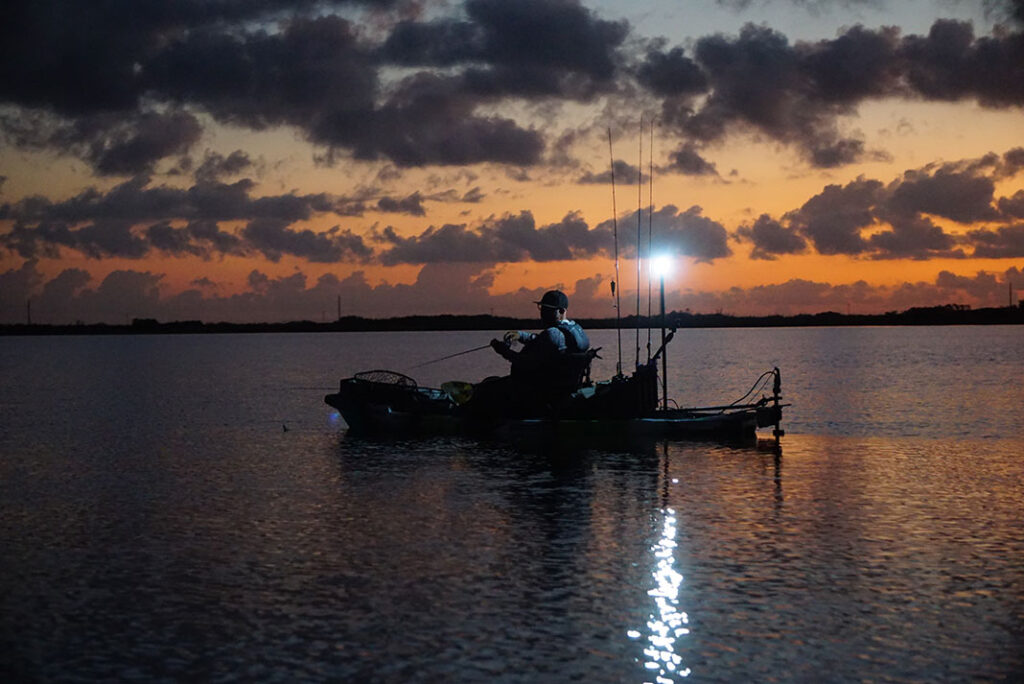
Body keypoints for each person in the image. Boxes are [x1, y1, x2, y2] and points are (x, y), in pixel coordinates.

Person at [489, 289, 590, 386]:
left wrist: (503, 351)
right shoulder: (576, 329)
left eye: (548, 310)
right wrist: (520, 335)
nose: (542, 314)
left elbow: (526, 363)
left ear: (562, 311)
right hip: (565, 384)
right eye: (542, 308)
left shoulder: (552, 334)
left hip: (543, 388)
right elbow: (545, 341)